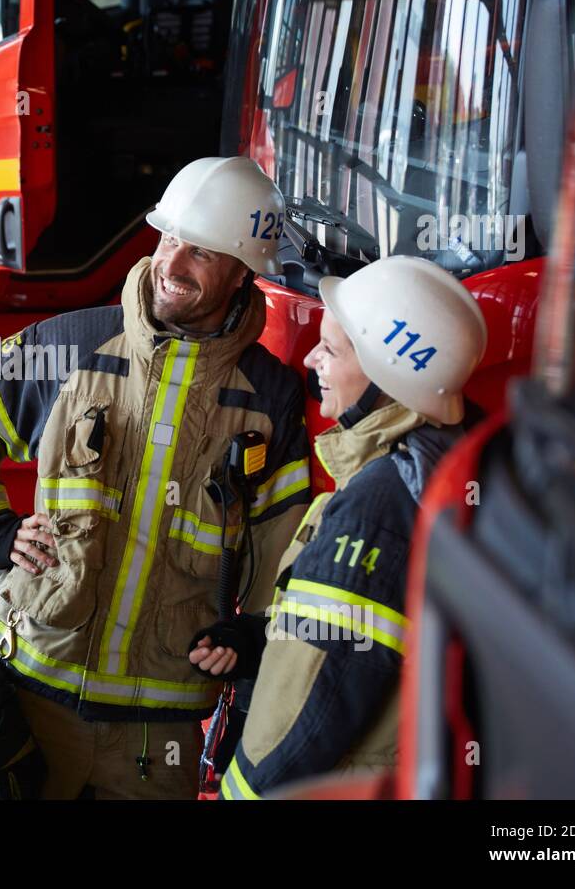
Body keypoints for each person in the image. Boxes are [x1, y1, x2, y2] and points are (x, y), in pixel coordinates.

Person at [0, 157, 313, 799]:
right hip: (33, 698)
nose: (171, 265)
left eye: (200, 253)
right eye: (170, 240)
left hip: (157, 737)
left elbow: (286, 547)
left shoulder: (270, 398)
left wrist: (252, 632)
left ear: (242, 271)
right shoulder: (75, 346)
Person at [197, 255, 488, 799]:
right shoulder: (446, 456)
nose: (311, 360)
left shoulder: (379, 503)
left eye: (330, 350)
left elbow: (320, 703)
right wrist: (264, 637)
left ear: (388, 378)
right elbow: (359, 643)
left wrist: (240, 794)